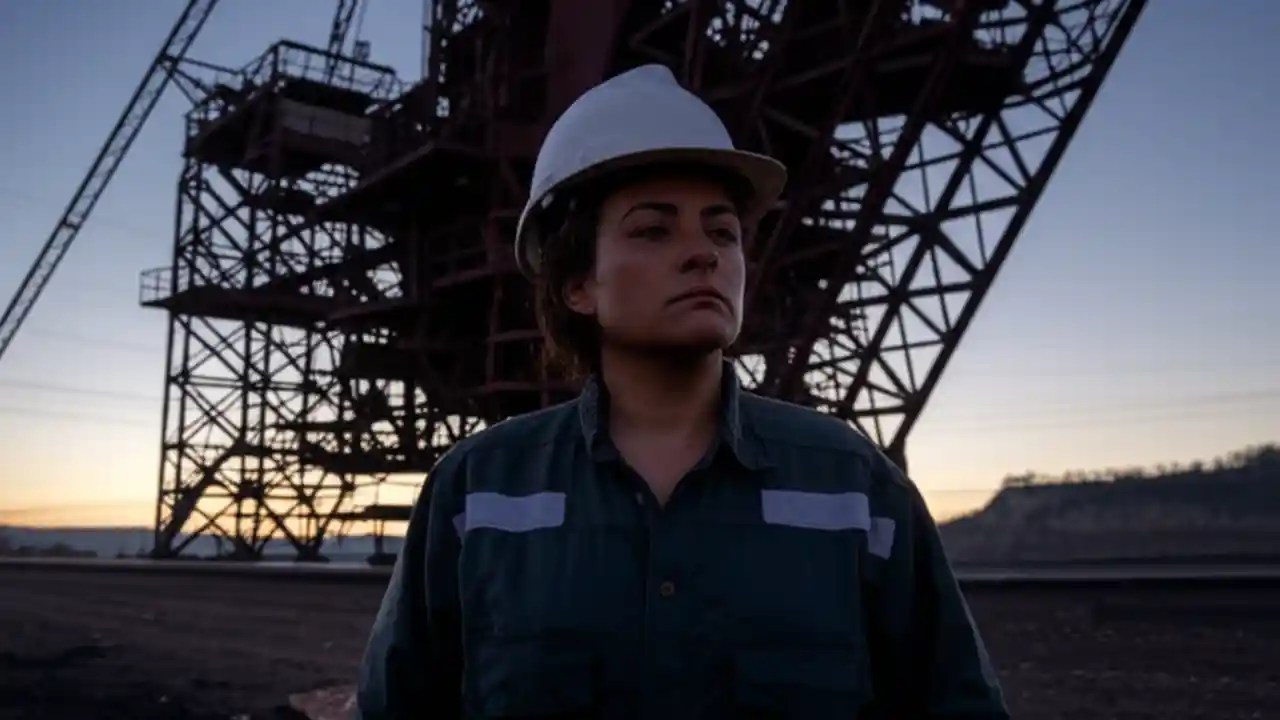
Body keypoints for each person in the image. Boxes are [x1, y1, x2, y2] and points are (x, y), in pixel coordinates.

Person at [357, 64, 1008, 719]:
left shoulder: (855, 485)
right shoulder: (476, 493)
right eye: (653, 229)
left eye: (722, 231)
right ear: (576, 284)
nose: (705, 255)